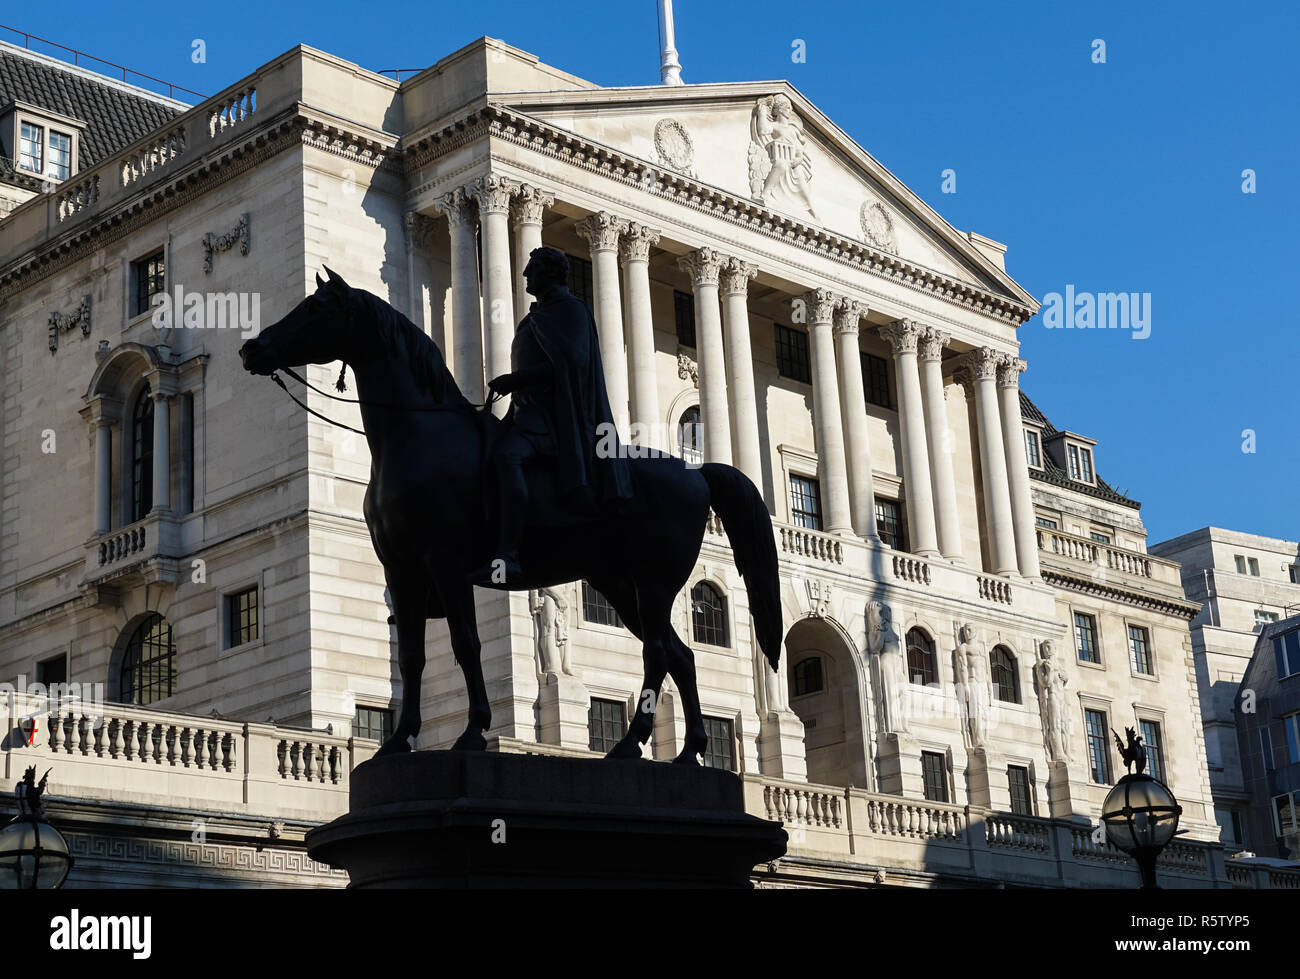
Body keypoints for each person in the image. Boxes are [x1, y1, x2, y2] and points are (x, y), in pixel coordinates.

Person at [469, 247, 632, 585]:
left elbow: (572, 364)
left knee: (506, 455)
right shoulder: (535, 316)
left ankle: (509, 555)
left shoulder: (571, 310)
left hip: (556, 420)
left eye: (532, 269)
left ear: (550, 273)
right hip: (525, 414)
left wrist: (517, 380)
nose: (526, 275)